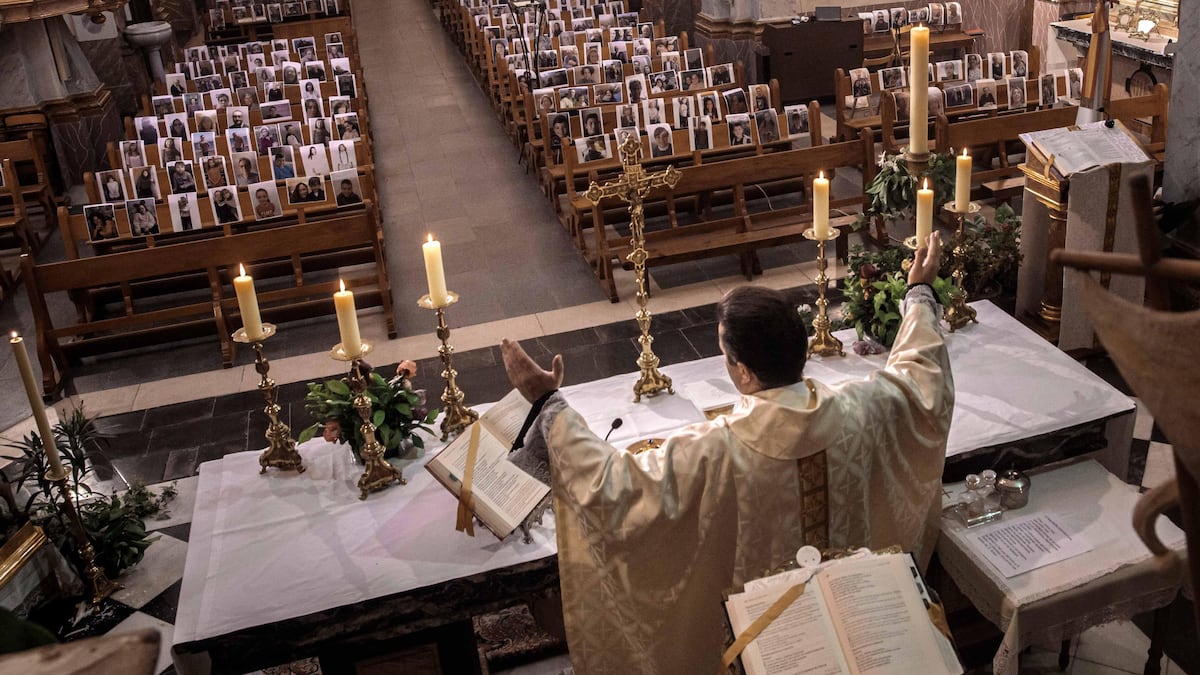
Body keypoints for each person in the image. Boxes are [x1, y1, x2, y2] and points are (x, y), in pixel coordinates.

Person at [497, 233, 952, 674]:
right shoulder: (863, 409)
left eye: (724, 356)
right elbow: (920, 378)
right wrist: (918, 291)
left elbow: (610, 488)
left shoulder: (716, 450)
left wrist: (548, 404)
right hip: (860, 619)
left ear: (745, 372)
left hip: (767, 646)